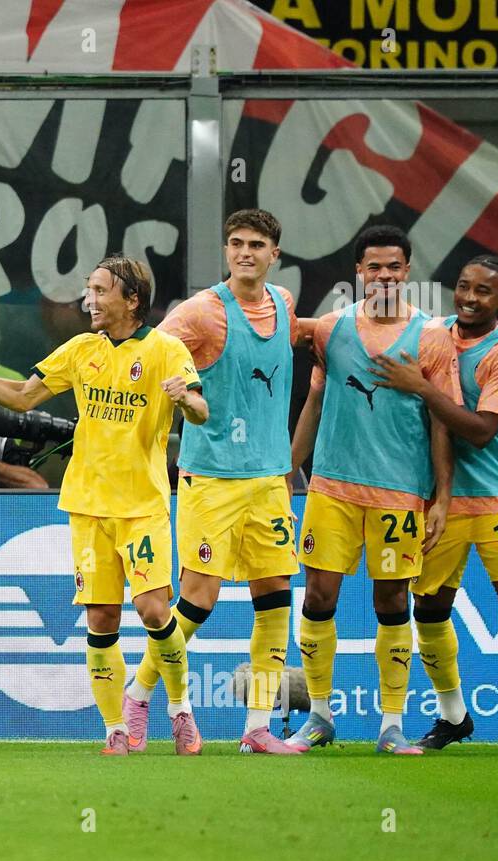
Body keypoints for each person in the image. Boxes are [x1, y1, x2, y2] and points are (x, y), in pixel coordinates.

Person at [0, 254, 209, 757]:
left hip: (142, 505)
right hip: (88, 505)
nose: (89, 299)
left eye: (100, 290)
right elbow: (23, 397)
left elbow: (200, 410)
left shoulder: (165, 350)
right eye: (89, 289)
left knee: (154, 611)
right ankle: (115, 729)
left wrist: (185, 399)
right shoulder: (80, 349)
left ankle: (179, 709)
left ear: (132, 299)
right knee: (101, 618)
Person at [370, 256, 498, 754]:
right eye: (463, 287)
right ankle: (453, 714)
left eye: (484, 291)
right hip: (441, 501)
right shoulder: (433, 334)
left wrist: (421, 387)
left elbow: (479, 433)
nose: (470, 298)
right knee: (430, 611)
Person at [288, 224, 459, 756]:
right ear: (357, 273)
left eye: (393, 266)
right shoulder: (331, 330)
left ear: (407, 271)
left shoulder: (431, 336)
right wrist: (287, 472)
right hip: (332, 488)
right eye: (373, 267)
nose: (383, 275)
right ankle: (318, 717)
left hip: (399, 493)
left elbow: (441, 422)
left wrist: (442, 500)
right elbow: (314, 403)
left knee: (392, 602)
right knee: (319, 598)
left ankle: (391, 724)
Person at [152, 209, 311, 755]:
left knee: (275, 601)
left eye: (257, 244)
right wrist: (173, 388)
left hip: (270, 479)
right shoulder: (200, 311)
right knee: (197, 602)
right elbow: (149, 355)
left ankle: (257, 729)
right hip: (212, 478)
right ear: (227, 251)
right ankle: (138, 691)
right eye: (237, 243)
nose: (246, 252)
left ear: (275, 254)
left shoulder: (284, 305)